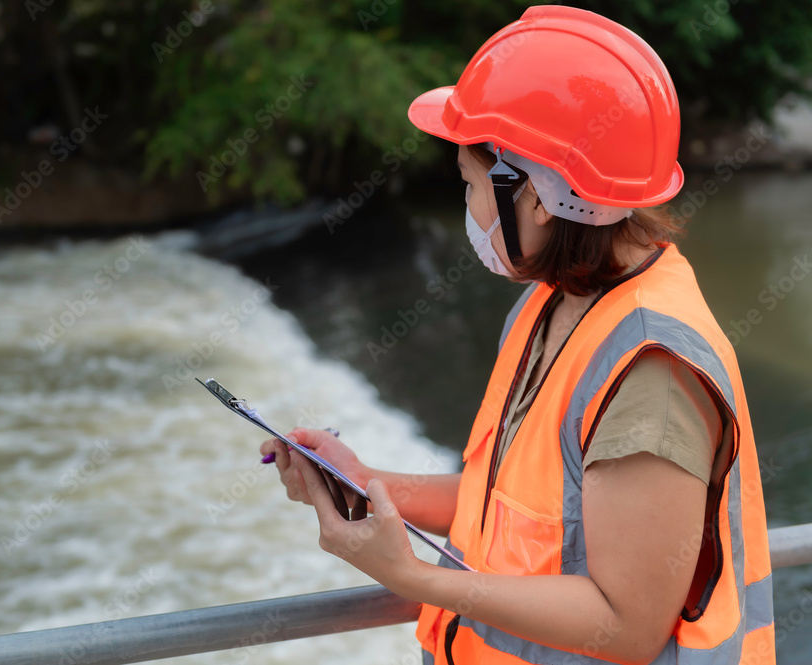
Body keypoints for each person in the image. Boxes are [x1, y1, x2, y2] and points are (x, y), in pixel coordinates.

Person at [259, 6, 774, 665]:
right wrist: (366, 480)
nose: (470, 209)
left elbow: (628, 623)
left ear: (537, 198)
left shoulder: (652, 372)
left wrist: (411, 575)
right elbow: (512, 507)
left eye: (470, 184)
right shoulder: (553, 301)